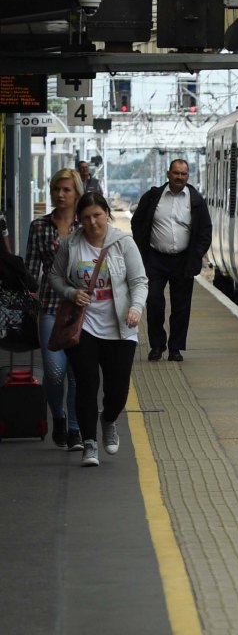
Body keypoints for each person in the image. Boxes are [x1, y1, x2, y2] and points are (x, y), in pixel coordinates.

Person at [58, 192, 148, 468]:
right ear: (79, 220)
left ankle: (108, 420)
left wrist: (135, 308)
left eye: (97, 215)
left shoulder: (123, 243)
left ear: (106, 214)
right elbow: (54, 276)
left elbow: (139, 281)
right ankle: (89, 444)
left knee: (118, 391)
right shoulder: (70, 245)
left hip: (121, 328)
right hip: (83, 327)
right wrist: (71, 292)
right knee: (86, 385)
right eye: (85, 217)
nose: (92, 222)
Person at [130, 158, 212, 362]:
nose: (179, 177)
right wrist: (141, 251)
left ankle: (175, 348)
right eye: (176, 173)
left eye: (183, 174)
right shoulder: (153, 197)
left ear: (188, 176)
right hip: (155, 259)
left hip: (183, 260)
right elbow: (137, 222)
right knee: (155, 302)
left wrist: (196, 254)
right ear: (168, 174)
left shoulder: (195, 200)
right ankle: (157, 345)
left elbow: (205, 230)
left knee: (181, 306)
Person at [24, 168, 82, 446]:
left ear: (76, 193)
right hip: (49, 307)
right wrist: (26, 300)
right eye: (56, 189)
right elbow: (31, 270)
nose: (60, 194)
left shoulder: (85, 227)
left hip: (82, 311)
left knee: (76, 373)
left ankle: (73, 429)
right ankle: (57, 415)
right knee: (55, 372)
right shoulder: (39, 227)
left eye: (66, 190)